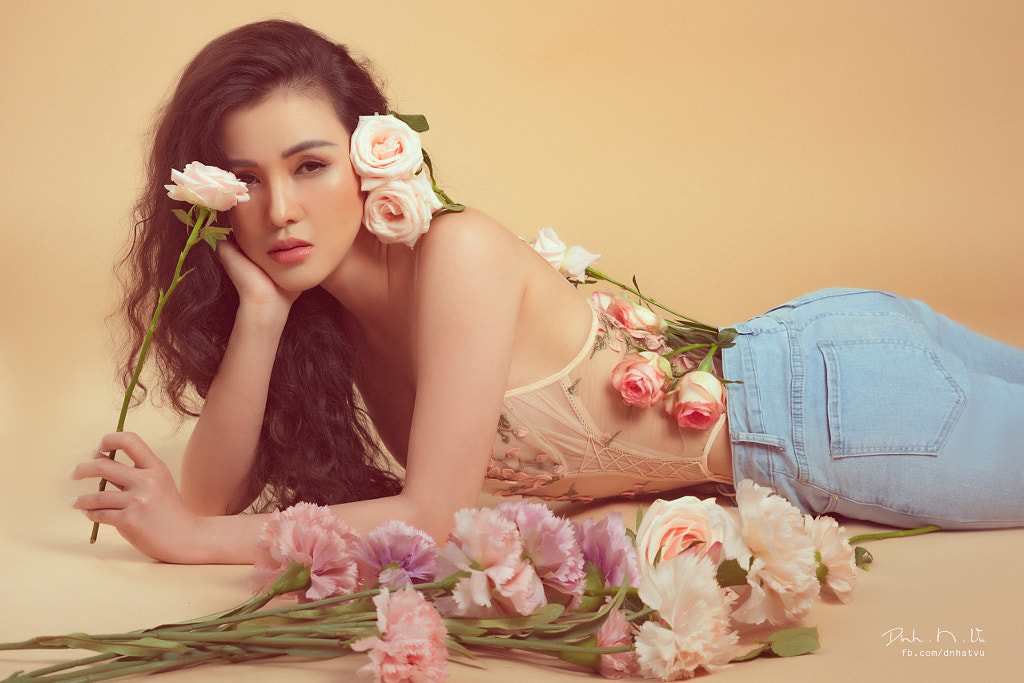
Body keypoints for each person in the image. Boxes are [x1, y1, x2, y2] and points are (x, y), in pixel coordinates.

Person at [69, 20, 1024, 565]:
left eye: (310, 164)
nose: (281, 208)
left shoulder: (461, 256)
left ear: (369, 154)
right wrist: (264, 318)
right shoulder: (334, 324)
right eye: (247, 182)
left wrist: (193, 543)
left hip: (825, 413)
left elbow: (430, 513)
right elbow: (208, 491)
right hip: (814, 357)